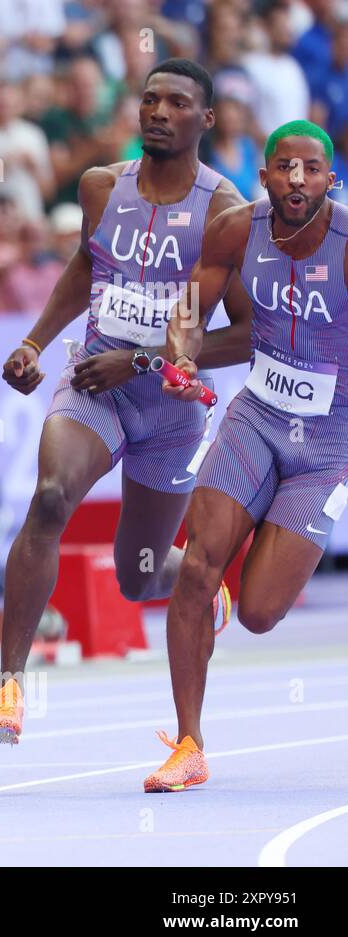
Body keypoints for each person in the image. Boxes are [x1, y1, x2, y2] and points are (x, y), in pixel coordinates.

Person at [0, 60, 256, 746]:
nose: (159, 111)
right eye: (150, 99)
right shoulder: (101, 186)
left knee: (138, 577)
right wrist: (35, 341)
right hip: (93, 387)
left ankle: (201, 581)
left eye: (177, 103)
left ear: (207, 119)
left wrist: (144, 360)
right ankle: (8, 688)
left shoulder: (225, 212)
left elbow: (249, 334)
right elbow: (87, 263)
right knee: (50, 498)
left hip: (171, 410)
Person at [145, 120, 348, 792]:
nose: (297, 179)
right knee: (195, 570)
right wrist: (181, 355)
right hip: (256, 418)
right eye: (284, 167)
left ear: (330, 180)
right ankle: (189, 745)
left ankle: (239, 585)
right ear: (264, 177)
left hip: (329, 445)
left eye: (311, 169)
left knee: (260, 613)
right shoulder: (236, 229)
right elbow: (189, 310)